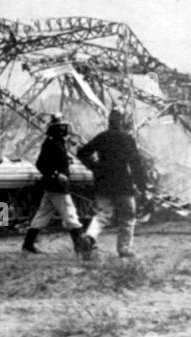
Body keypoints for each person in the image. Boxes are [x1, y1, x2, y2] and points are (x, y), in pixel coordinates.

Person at [76, 109, 149, 258]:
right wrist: (142, 187)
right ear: (122, 121)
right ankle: (124, 249)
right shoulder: (127, 139)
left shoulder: (102, 137)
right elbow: (136, 165)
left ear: (109, 121)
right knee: (128, 216)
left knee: (102, 215)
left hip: (103, 182)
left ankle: (89, 237)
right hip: (123, 182)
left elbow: (81, 152)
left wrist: (95, 167)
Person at [22, 114, 86, 255]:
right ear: (56, 130)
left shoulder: (55, 143)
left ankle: (28, 245)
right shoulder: (52, 143)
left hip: (52, 186)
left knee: (42, 216)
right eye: (61, 128)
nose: (63, 130)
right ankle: (80, 246)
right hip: (57, 186)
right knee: (70, 215)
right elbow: (41, 164)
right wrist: (57, 174)